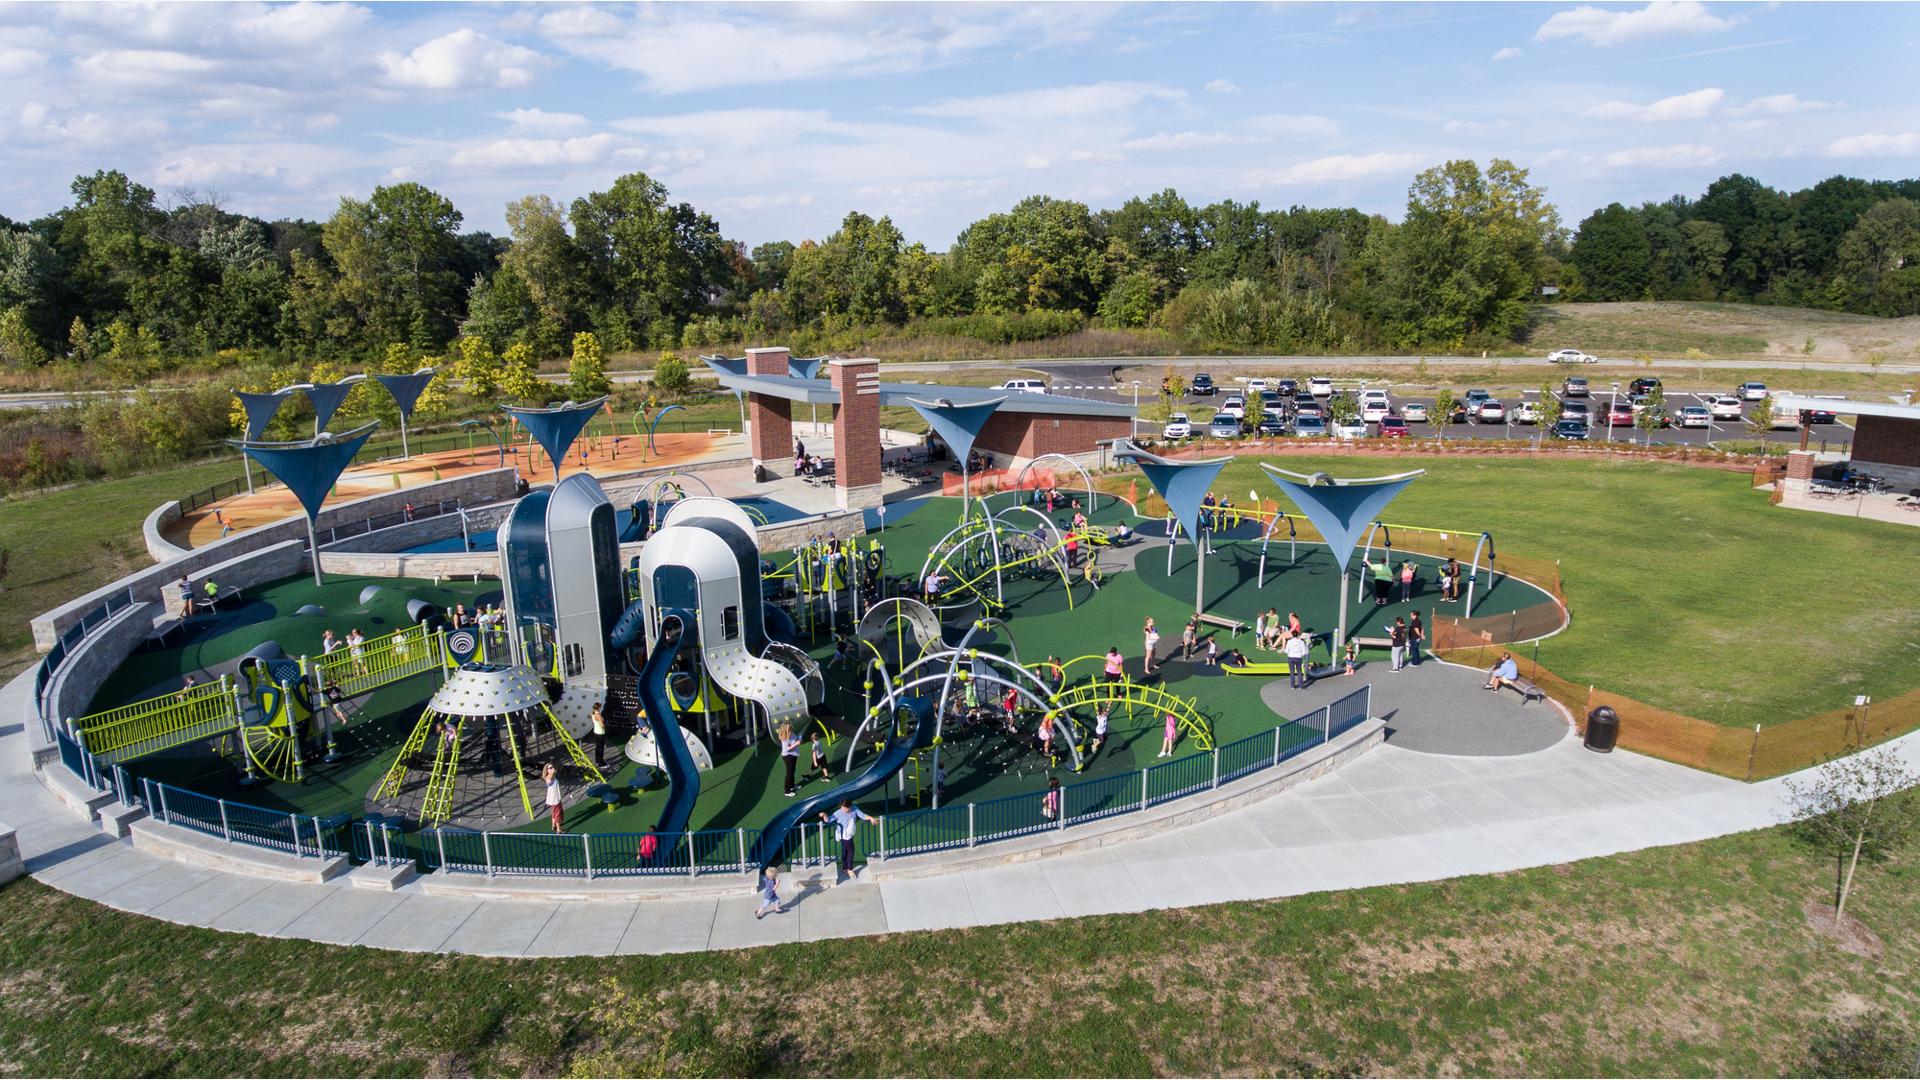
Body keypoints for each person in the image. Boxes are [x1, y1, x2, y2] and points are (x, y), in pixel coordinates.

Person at [820, 798, 878, 883]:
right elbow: (828, 820)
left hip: (849, 834)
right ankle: (850, 869)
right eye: (844, 808)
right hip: (844, 835)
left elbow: (862, 815)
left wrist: (871, 818)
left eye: (848, 808)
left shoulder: (854, 808)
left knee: (845, 850)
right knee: (851, 850)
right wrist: (824, 815)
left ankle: (844, 868)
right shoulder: (838, 813)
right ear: (841, 806)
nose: (847, 810)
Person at [779, 724, 802, 796]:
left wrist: (800, 737)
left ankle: (792, 785)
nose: (791, 729)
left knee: (792, 771)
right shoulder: (784, 738)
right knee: (789, 773)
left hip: (794, 755)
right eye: (789, 728)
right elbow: (787, 749)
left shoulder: (792, 733)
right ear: (785, 729)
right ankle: (787, 791)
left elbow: (797, 738)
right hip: (788, 756)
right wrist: (796, 744)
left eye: (791, 727)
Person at [542, 762, 565, 833]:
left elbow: (553, 775)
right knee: (557, 813)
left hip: (554, 798)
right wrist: (553, 772)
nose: (552, 769)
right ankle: (558, 829)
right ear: (547, 770)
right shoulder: (548, 778)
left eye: (552, 767)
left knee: (554, 813)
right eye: (550, 768)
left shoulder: (552, 776)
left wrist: (554, 772)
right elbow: (550, 779)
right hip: (554, 799)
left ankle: (553, 825)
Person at [590, 701, 607, 767]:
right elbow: (602, 725)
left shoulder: (592, 713)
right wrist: (604, 724)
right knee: (600, 748)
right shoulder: (598, 715)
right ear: (598, 707)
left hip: (596, 732)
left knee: (597, 747)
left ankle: (597, 761)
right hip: (600, 733)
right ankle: (601, 763)